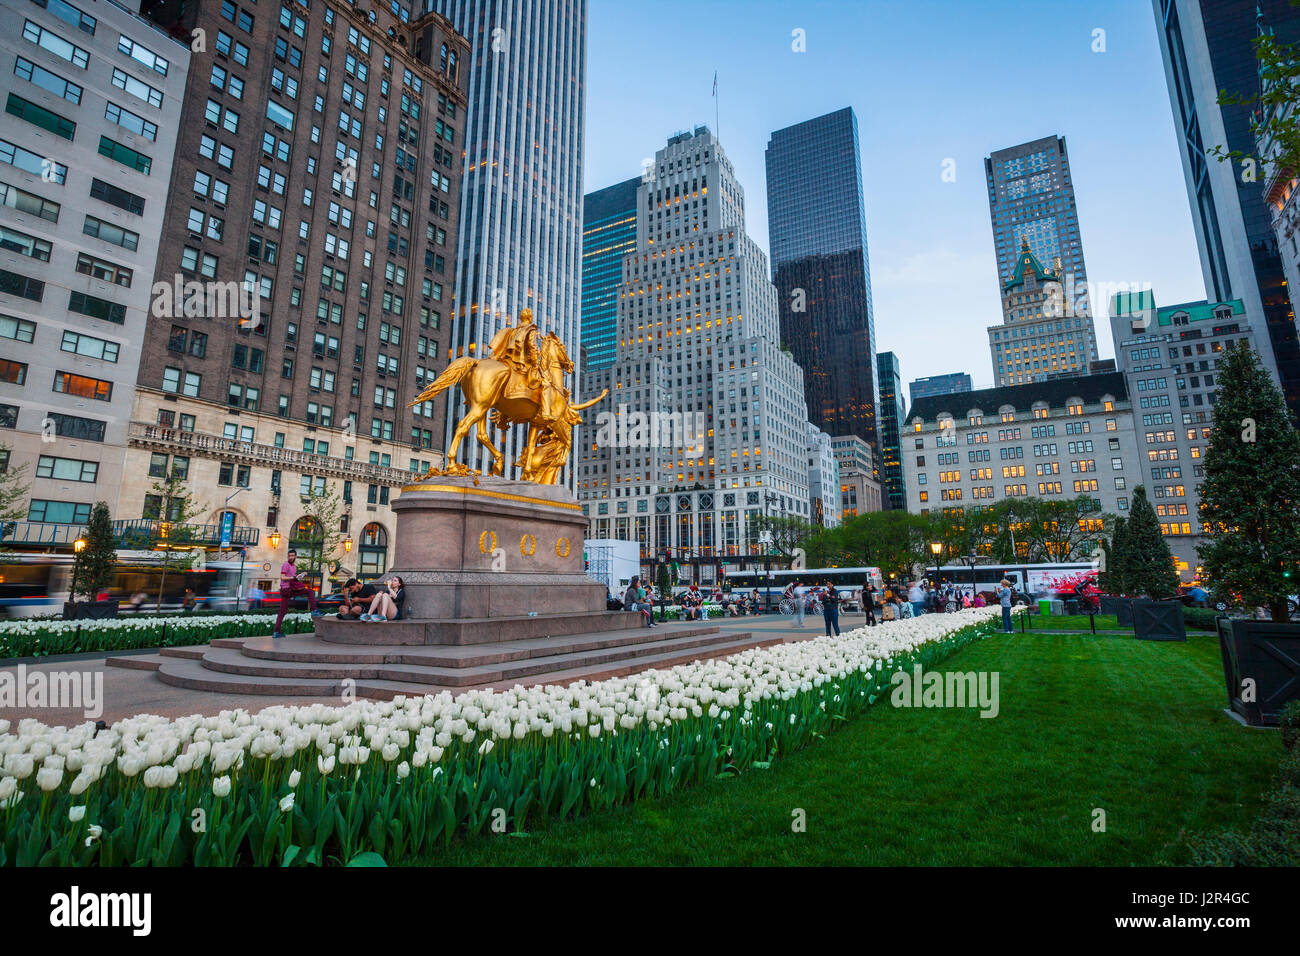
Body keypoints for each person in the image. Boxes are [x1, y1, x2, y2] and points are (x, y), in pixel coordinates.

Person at [272, 549, 323, 638]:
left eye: (292, 556)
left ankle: (276, 632)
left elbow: (295, 579)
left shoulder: (294, 567)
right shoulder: (286, 565)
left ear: (295, 556)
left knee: (282, 612)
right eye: (289, 556)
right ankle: (314, 610)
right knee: (310, 591)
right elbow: (282, 577)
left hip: (290, 589)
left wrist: (301, 575)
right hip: (287, 589)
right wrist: (294, 577)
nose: (291, 557)